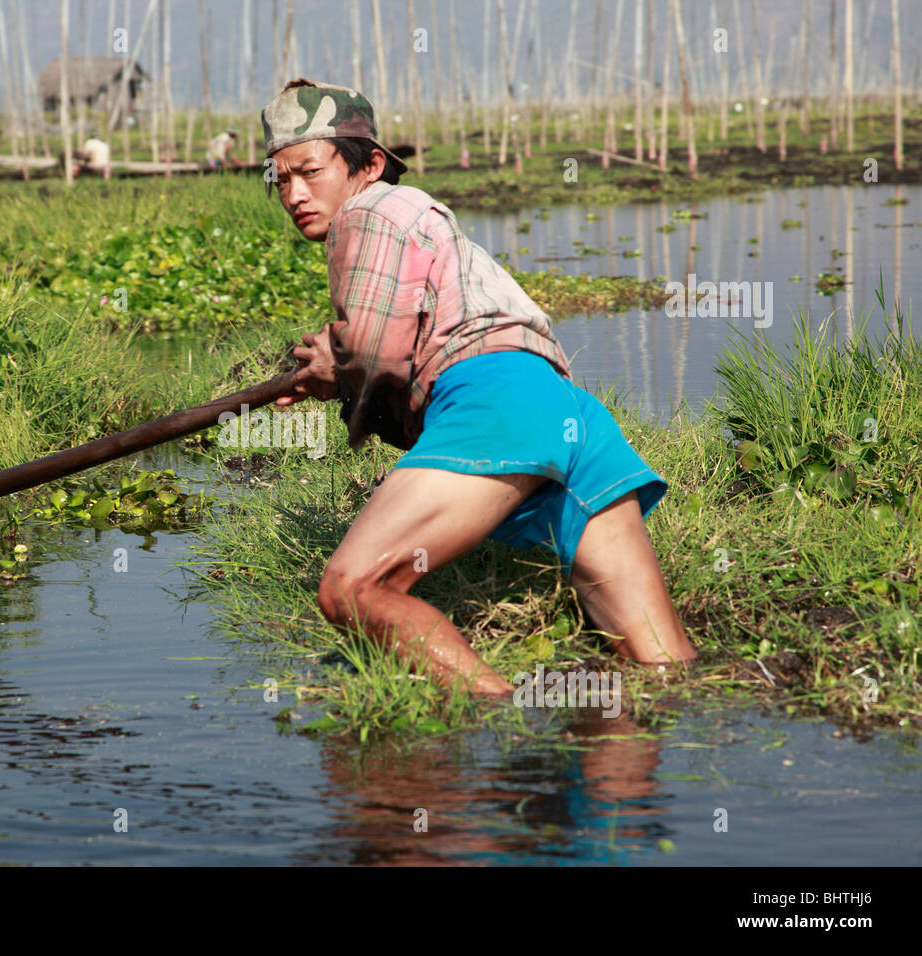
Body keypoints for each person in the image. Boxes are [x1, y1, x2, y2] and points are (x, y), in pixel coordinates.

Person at [262, 78, 697, 698]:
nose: (294, 194)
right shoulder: (426, 221)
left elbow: (376, 355)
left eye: (308, 171)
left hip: (496, 403)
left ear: (371, 164)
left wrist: (340, 371)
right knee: (664, 668)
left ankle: (503, 721)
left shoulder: (374, 209)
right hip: (564, 413)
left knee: (354, 587)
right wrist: (345, 364)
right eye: (279, 180)